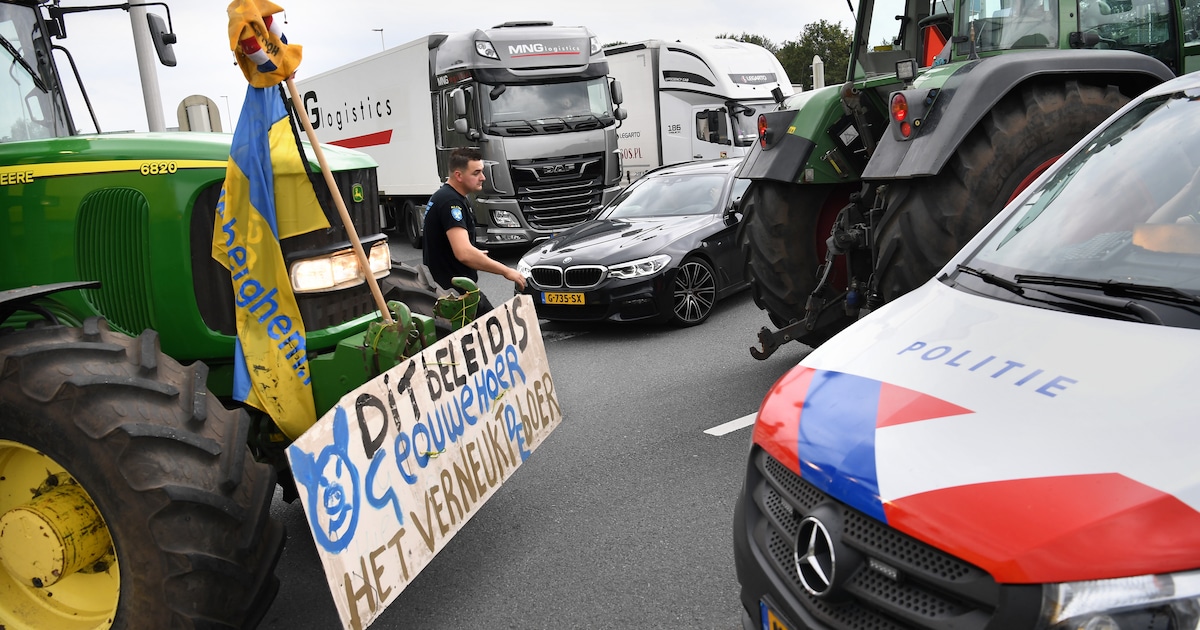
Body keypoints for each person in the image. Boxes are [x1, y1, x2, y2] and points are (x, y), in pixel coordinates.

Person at [422, 147, 526, 313]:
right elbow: (463, 253)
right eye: (476, 173)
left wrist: (474, 252)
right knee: (498, 332)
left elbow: (453, 245)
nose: (482, 177)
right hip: (455, 295)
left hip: (450, 291)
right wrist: (506, 271)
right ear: (458, 175)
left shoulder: (446, 196)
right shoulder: (450, 202)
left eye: (482, 171)